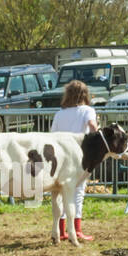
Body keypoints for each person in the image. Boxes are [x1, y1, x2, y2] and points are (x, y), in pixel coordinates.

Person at [50, 79, 100, 242]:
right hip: (78, 157)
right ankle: (77, 229)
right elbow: (92, 126)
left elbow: (52, 134)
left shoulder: (60, 113)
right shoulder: (88, 110)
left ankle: (61, 230)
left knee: (59, 194)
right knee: (77, 193)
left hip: (59, 157)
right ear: (85, 94)